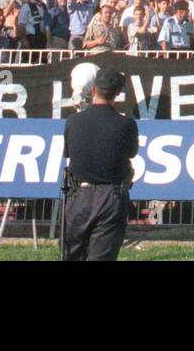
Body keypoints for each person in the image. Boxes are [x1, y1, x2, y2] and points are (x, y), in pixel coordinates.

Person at [61, 68, 139, 262]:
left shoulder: (73, 121)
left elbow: (69, 154)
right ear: (117, 94)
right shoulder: (126, 124)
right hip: (111, 197)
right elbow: (132, 153)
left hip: (78, 196)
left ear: (93, 89)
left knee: (71, 256)